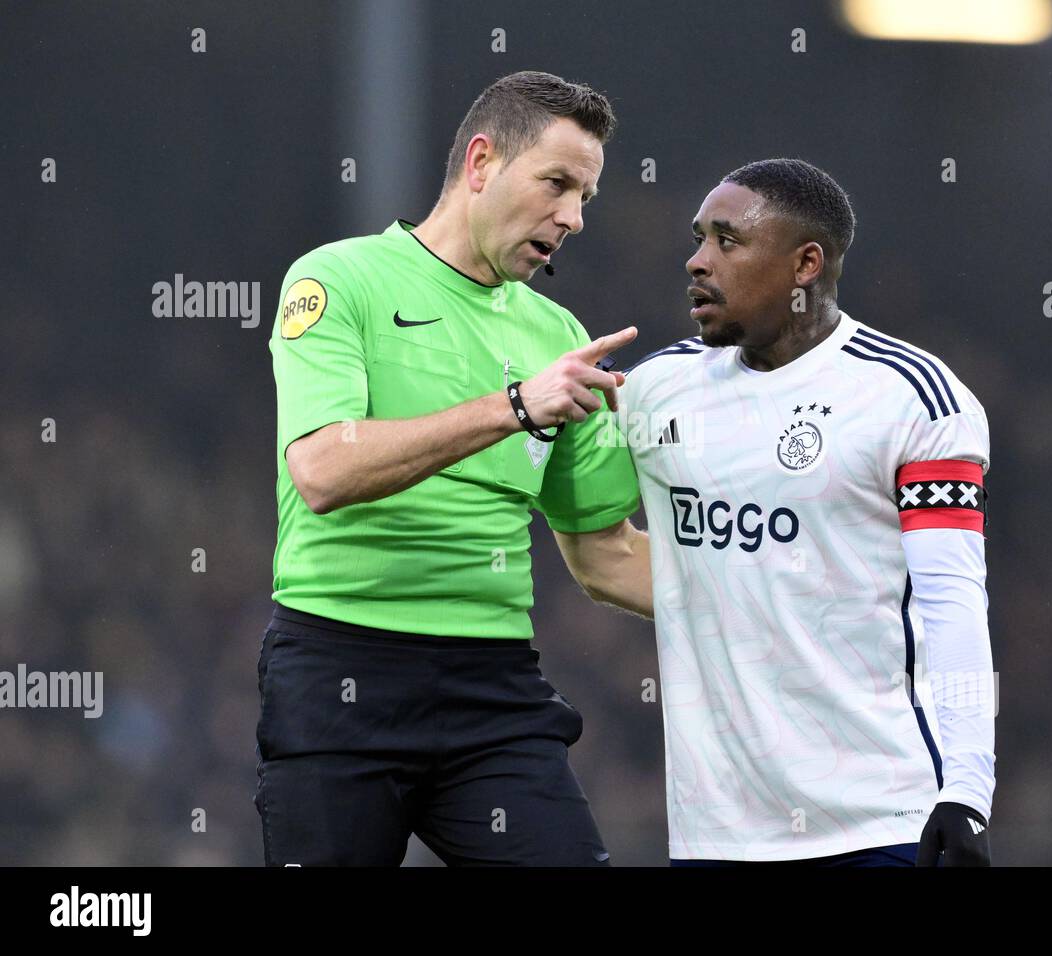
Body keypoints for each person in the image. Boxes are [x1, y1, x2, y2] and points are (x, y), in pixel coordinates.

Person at [256, 71, 652, 866]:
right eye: (557, 184)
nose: (572, 217)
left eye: (586, 198)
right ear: (481, 163)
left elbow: (609, 556)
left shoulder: (559, 335)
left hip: (491, 689)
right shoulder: (339, 280)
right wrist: (512, 406)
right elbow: (324, 473)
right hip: (342, 673)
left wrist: (778, 599)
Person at [612, 158, 996, 866]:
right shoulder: (649, 392)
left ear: (805, 264)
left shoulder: (914, 400)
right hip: (714, 834)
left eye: (727, 241)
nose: (697, 261)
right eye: (698, 239)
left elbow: (952, 603)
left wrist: (967, 790)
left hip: (879, 824)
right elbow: (587, 532)